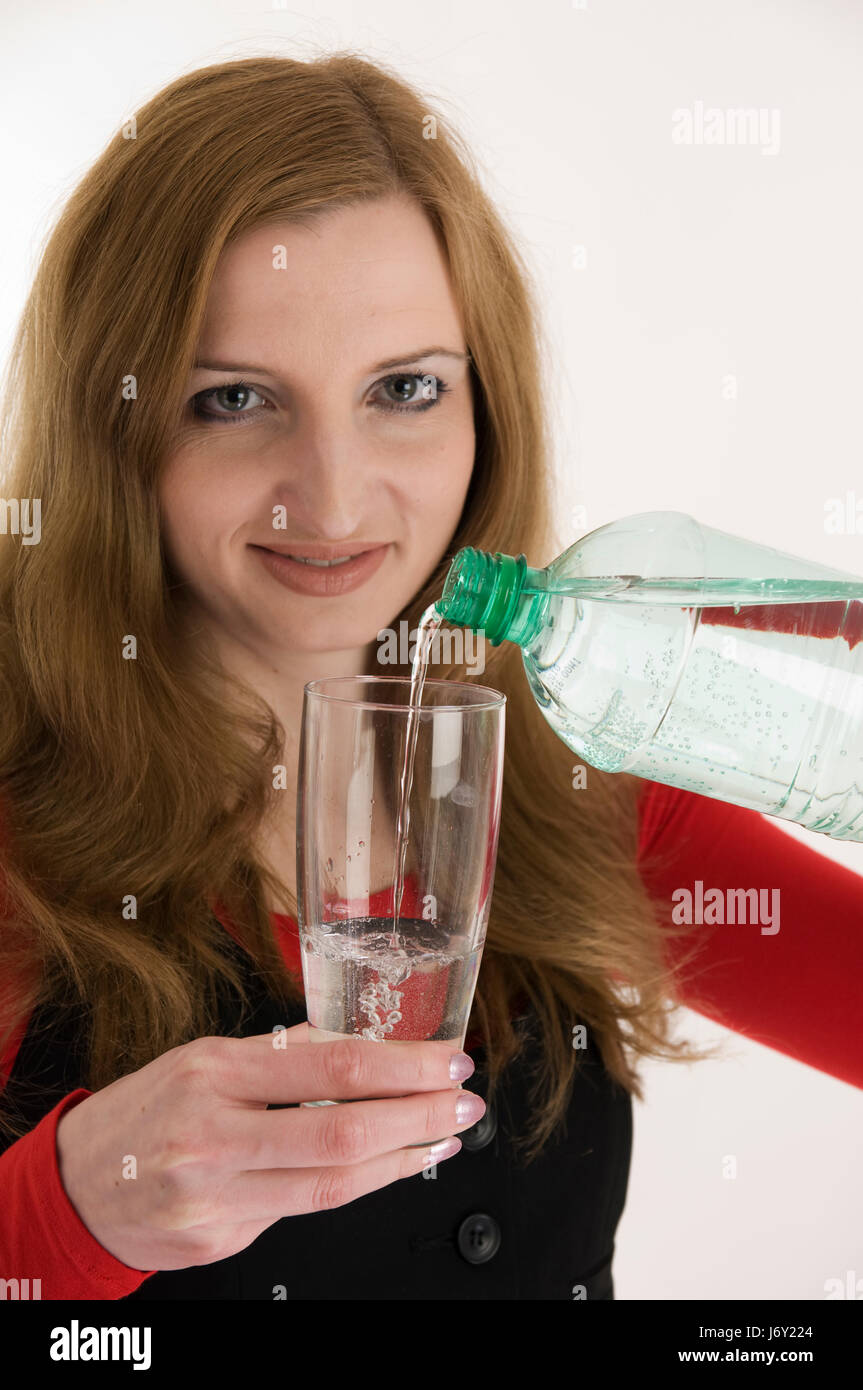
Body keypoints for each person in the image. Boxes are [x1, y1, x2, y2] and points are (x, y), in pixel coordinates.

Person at [0, 53, 860, 1302]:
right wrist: (65, 1209)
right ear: (111, 422)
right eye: (234, 398)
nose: (335, 496)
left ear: (484, 408)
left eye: (403, 389)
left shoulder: (578, 793)